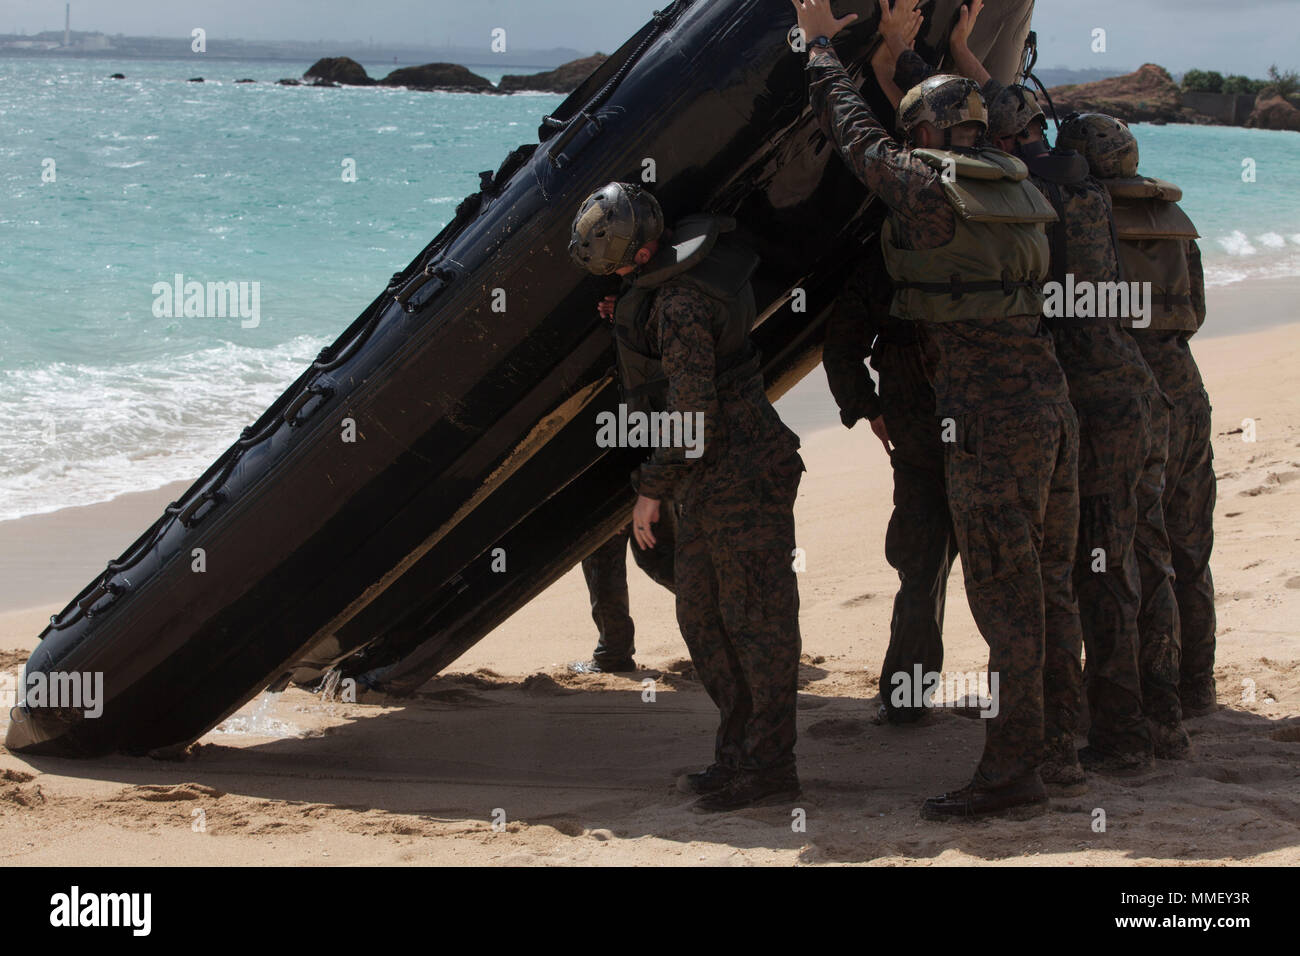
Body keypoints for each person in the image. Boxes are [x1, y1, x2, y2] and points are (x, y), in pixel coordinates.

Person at [791, 0, 1083, 820]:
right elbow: (944, 113)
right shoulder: (1013, 180)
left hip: (988, 423)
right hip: (1047, 405)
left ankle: (1012, 772)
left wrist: (819, 44)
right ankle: (1060, 751)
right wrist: (908, 52)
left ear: (923, 137)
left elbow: (854, 133)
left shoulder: (925, 192)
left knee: (1003, 600)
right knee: (1048, 589)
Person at [944, 0, 1187, 774]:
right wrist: (964, 54)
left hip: (1104, 409)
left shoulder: (1039, 198)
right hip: (1135, 393)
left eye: (1000, 138)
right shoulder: (1081, 190)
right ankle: (1157, 718)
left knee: (1104, 570)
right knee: (1141, 558)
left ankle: (1119, 734)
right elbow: (1025, 135)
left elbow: (1008, 153)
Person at [569, 182, 806, 812]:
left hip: (743, 473)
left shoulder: (678, 303)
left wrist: (650, 491)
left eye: (618, 266)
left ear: (642, 254)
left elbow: (692, 412)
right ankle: (736, 754)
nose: (615, 276)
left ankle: (771, 765)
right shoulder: (669, 283)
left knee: (759, 625)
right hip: (710, 478)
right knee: (702, 616)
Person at [1061, 113, 1218, 720]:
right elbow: (1195, 310)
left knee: (1122, 548)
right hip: (1184, 384)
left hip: (1122, 391)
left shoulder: (1082, 218)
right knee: (1189, 543)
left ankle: (1135, 694)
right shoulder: (1173, 220)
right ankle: (1193, 684)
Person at [570, 513, 676, 674]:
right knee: (664, 561)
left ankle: (613, 655)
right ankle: (719, 630)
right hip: (648, 490)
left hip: (609, 496)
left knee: (603, 561)